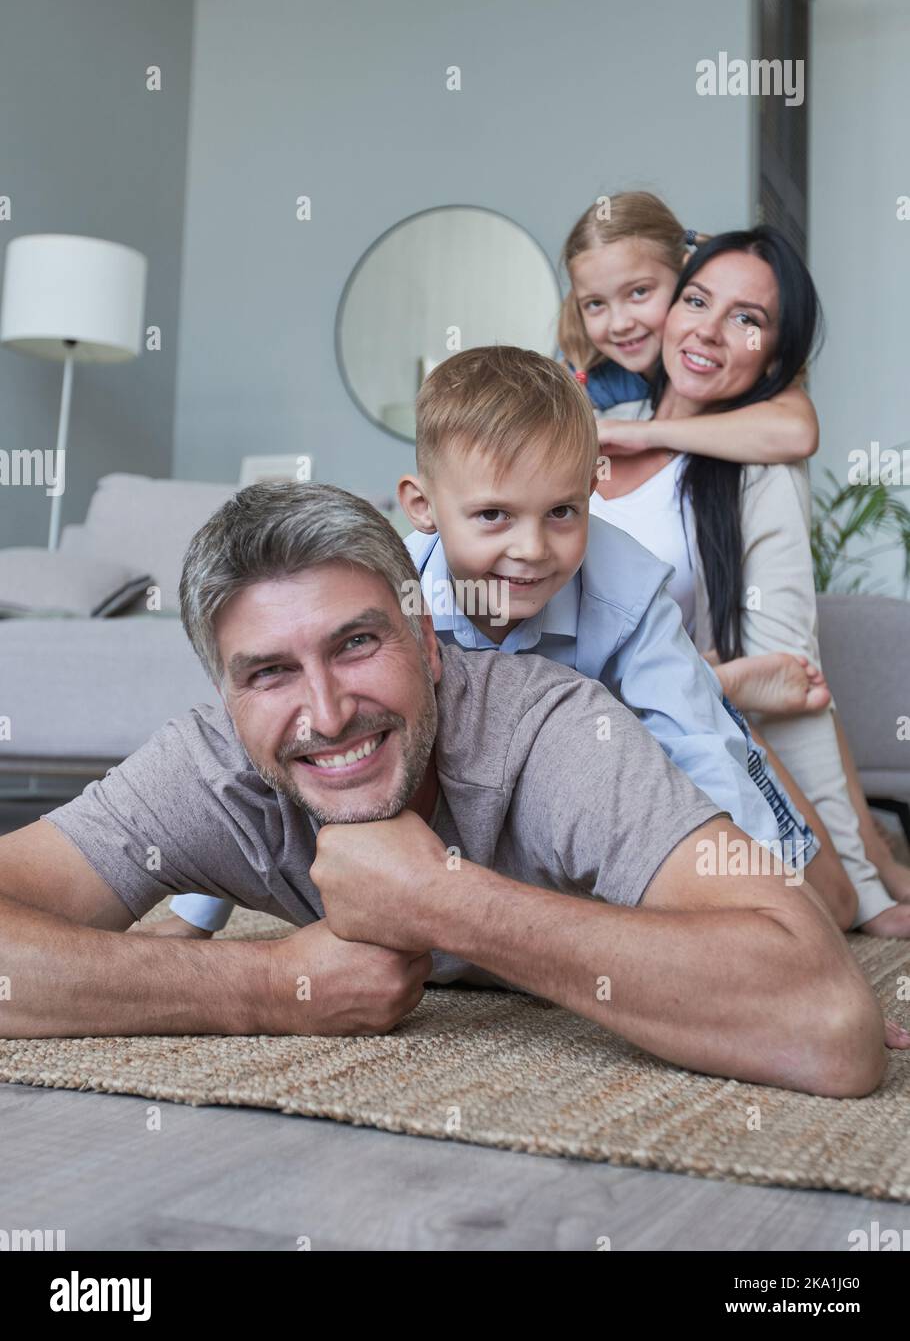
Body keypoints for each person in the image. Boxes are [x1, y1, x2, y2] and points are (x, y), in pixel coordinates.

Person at [0, 480, 897, 1089]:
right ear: (226, 699)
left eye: (358, 644)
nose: (328, 711)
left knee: (818, 891)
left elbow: (828, 1023)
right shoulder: (211, 766)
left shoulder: (550, 728)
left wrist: (441, 901)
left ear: (427, 641)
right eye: (269, 673)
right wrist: (265, 988)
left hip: (702, 805)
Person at [162, 347, 832, 938]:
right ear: (422, 506)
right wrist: (195, 915)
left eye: (563, 512)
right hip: (480, 775)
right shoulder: (381, 597)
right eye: (493, 516)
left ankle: (714, 686)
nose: (533, 549)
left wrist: (770, 921)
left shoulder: (625, 595)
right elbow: (272, 745)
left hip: (610, 749)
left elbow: (702, 748)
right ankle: (719, 676)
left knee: (734, 770)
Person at [559, 193, 910, 935]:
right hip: (562, 704)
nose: (708, 331)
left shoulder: (753, 463)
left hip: (651, 729)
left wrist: (860, 874)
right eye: (697, 301)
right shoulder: (593, 419)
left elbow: (799, 684)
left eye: (747, 319)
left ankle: (867, 850)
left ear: (775, 355)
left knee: (826, 906)